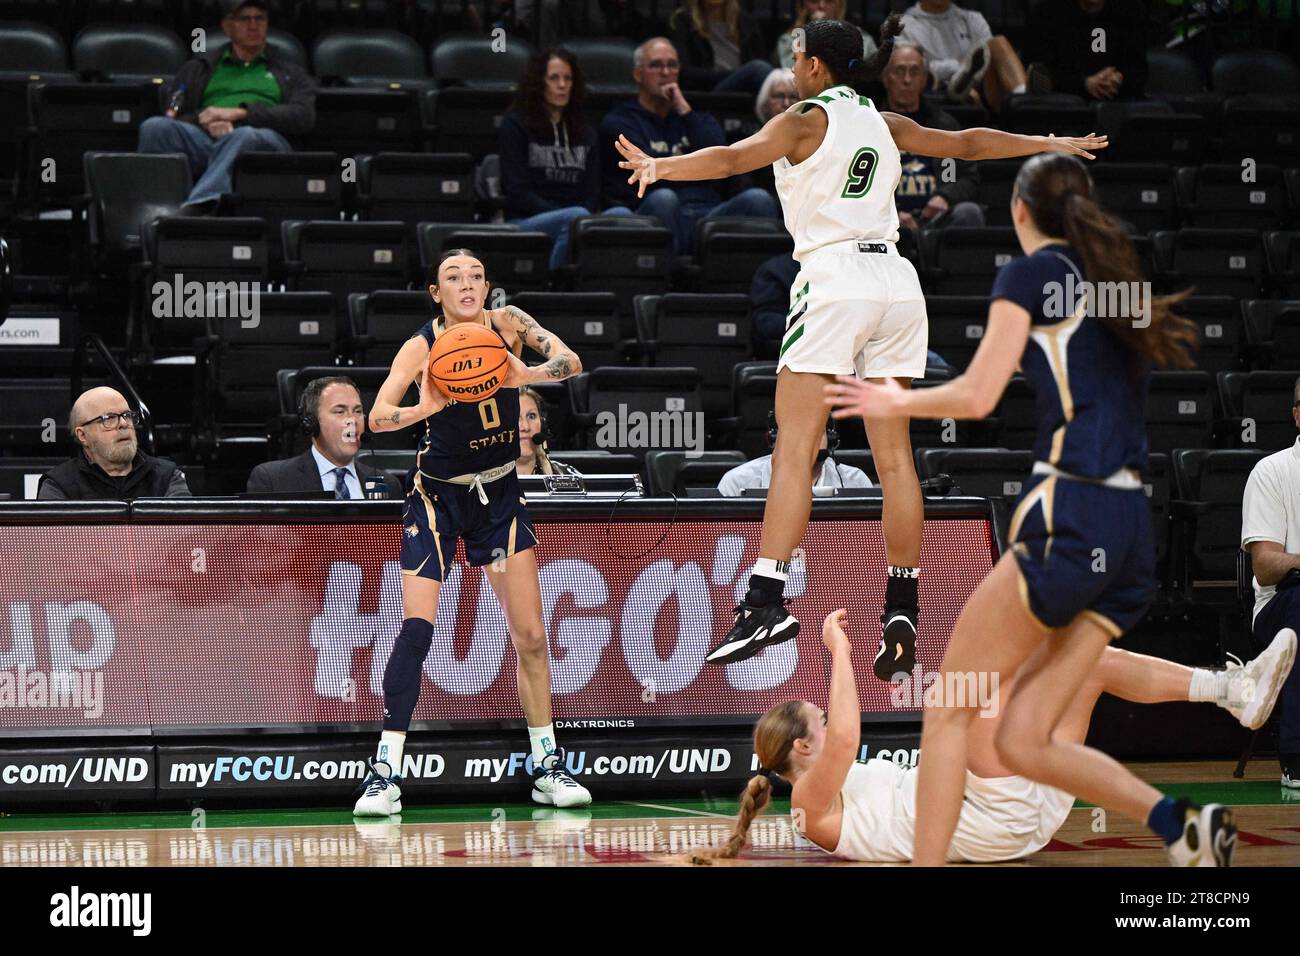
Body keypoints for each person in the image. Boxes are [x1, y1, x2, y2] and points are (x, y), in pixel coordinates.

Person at [616, 15, 1107, 678]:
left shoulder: (802, 119)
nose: (791, 63)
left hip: (836, 276)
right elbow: (965, 142)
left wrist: (659, 164)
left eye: (795, 54)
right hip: (898, 284)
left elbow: (731, 160)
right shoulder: (883, 120)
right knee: (896, 460)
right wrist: (1049, 142)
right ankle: (901, 607)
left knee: (794, 448)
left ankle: (765, 599)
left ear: (816, 66)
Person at [824, 152, 1257, 866]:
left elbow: (977, 395)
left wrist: (898, 399)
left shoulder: (1030, 274)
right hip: (1129, 532)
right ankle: (1182, 824)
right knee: (1027, 737)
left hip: (1071, 511)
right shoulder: (1119, 284)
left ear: (1020, 212)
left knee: (948, 706)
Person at [690, 610, 1294, 864]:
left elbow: (843, 737)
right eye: (816, 718)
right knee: (964, 687)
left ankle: (1230, 692)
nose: (827, 719)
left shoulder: (827, 790)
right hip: (987, 816)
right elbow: (846, 737)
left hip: (1020, 811)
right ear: (801, 748)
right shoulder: (807, 801)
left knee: (1090, 661)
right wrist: (841, 651)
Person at [352, 249, 590, 816]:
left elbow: (571, 361)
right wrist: (424, 406)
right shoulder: (421, 346)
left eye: (477, 276)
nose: (467, 285)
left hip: (500, 496)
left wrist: (522, 373)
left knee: (531, 637)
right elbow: (376, 418)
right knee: (416, 630)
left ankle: (547, 766)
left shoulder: (508, 326)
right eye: (453, 278)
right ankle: (385, 772)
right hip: (437, 498)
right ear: (436, 293)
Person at [601, 37, 781, 255]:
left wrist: (684, 111)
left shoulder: (697, 118)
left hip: (710, 211)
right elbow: (647, 178)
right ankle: (674, 277)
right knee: (664, 198)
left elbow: (722, 161)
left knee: (758, 200)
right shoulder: (622, 122)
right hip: (658, 210)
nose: (666, 72)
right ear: (638, 74)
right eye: (656, 65)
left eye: (672, 65)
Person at [137, 0, 317, 214]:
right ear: (227, 26)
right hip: (208, 140)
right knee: (155, 127)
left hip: (264, 142)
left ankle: (198, 208)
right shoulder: (198, 69)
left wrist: (241, 114)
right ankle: (153, 213)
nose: (253, 25)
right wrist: (206, 122)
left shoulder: (291, 72)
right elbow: (174, 114)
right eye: (244, 18)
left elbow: (303, 116)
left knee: (243, 135)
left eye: (259, 18)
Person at [499, 48, 633, 272]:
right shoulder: (515, 125)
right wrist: (567, 215)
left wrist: (580, 217)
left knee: (624, 216)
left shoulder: (585, 132)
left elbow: (592, 193)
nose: (562, 85)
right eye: (554, 78)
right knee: (575, 217)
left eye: (567, 78)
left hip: (578, 217)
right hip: (526, 220)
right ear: (538, 82)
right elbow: (517, 192)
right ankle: (556, 283)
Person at [1241, 376, 1300, 788]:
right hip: (1280, 603)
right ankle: (1296, 757)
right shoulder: (1273, 471)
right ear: (1298, 414)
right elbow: (1265, 566)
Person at [884, 44, 984, 234]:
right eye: (899, 71)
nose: (907, 80)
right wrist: (893, 212)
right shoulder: (873, 124)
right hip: (887, 221)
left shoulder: (943, 125)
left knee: (969, 212)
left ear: (924, 80)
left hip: (936, 219)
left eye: (914, 72)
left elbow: (967, 177)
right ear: (886, 78)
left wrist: (945, 196)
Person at [246, 376, 397, 498]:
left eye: (357, 411)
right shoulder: (274, 480)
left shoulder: (388, 485)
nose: (352, 419)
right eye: (340, 411)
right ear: (311, 423)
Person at [39, 387, 190, 499]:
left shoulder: (167, 476)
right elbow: (55, 540)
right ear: (83, 435)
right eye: (109, 418)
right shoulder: (59, 484)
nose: (124, 423)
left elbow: (184, 535)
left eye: (127, 415)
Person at [899, 0, 1028, 113]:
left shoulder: (973, 19)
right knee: (915, 68)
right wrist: (959, 67)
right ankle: (959, 82)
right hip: (934, 87)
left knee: (998, 43)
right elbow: (910, 68)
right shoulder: (903, 24)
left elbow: (987, 57)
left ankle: (1026, 100)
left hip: (981, 88)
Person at [1022, 0, 1149, 101]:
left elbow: (1139, 69)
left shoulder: (1130, 10)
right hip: (1060, 105)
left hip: (1118, 100)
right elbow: (1037, 72)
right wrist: (1084, 84)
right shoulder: (1047, 12)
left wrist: (1118, 78)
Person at [718, 418, 871, 496]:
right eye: (797, 430)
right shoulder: (736, 483)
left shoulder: (856, 482)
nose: (807, 439)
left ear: (830, 439)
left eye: (817, 431)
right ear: (775, 438)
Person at [667, 0, 773, 93]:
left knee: (775, 74)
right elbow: (684, 72)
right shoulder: (683, 20)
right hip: (710, 90)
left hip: (748, 87)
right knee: (758, 68)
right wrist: (735, 74)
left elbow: (762, 59)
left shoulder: (746, 22)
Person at [774, 0, 877, 71]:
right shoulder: (788, 40)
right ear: (803, 5)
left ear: (839, 4)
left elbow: (870, 70)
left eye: (829, 0)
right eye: (814, 1)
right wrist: (813, 34)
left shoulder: (860, 38)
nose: (821, 6)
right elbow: (791, 72)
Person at [516, 385, 579, 476]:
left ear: (542, 425)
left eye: (531, 416)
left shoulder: (567, 475)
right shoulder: (488, 483)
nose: (525, 427)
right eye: (514, 418)